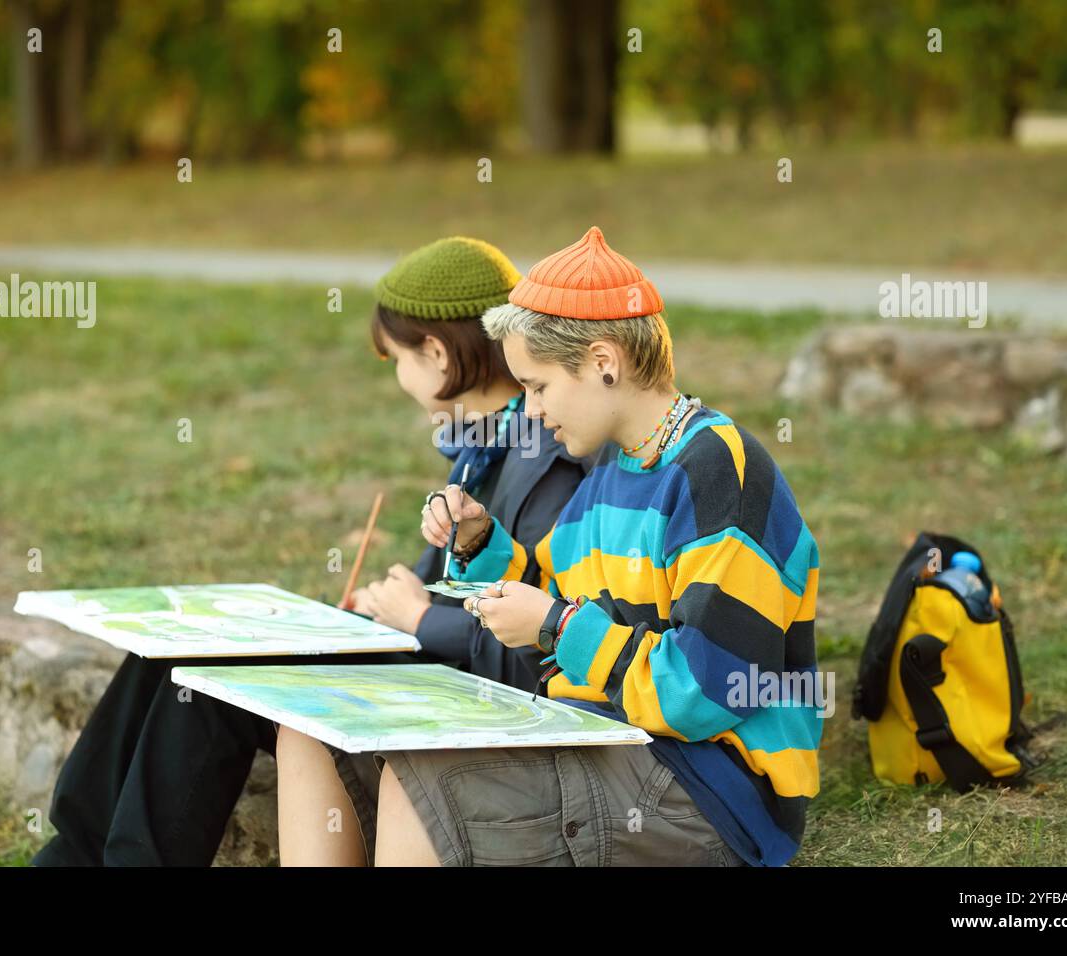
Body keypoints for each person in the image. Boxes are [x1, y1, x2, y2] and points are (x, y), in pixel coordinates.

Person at [276, 227, 822, 867]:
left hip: (704, 786)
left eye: (536, 387)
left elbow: (708, 690)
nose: (529, 413)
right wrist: (483, 546)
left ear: (602, 363)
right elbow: (558, 594)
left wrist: (559, 630)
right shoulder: (611, 470)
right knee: (311, 735)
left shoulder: (716, 474)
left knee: (419, 782)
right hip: (603, 736)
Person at [31, 236, 586, 866]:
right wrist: (370, 616)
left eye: (393, 358)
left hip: (472, 700)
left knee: (220, 675)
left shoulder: (550, 460)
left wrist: (417, 618)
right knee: (195, 644)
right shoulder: (484, 446)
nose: (397, 376)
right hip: (427, 659)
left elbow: (536, 643)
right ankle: (73, 851)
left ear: (434, 352)